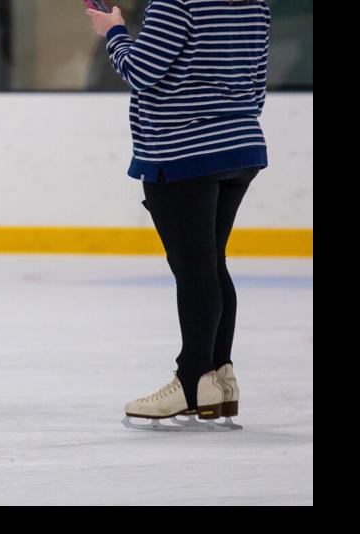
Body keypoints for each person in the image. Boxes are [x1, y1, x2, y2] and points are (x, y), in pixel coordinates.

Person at [89, 1, 270, 430]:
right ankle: (219, 379)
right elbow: (258, 85)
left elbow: (141, 71)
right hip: (239, 145)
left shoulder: (177, 2)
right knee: (210, 265)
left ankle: (191, 382)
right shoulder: (254, 4)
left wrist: (113, 31)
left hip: (184, 151)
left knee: (194, 271)